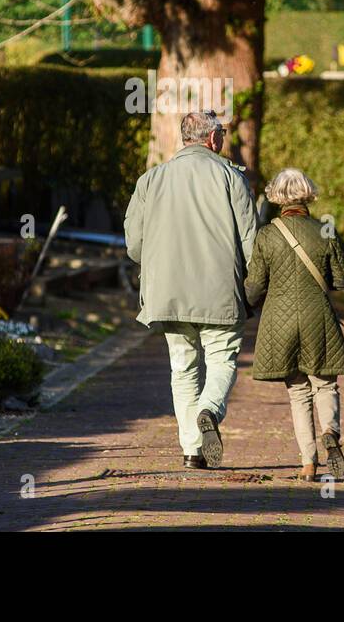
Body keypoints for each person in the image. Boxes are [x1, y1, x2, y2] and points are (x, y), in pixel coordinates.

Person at [124, 110, 259, 469]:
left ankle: (191, 449)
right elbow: (251, 242)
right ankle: (210, 410)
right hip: (219, 291)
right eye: (223, 134)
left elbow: (134, 245)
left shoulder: (150, 179)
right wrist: (256, 287)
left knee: (182, 367)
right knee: (222, 359)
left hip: (167, 292)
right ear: (213, 139)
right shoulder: (231, 178)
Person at [244, 168, 344, 481]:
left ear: (277, 196)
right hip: (318, 316)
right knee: (326, 384)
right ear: (308, 193)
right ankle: (330, 433)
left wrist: (245, 300)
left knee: (298, 392)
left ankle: (308, 463)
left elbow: (254, 289)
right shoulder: (325, 230)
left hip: (280, 321)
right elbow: (341, 280)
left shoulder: (266, 234)